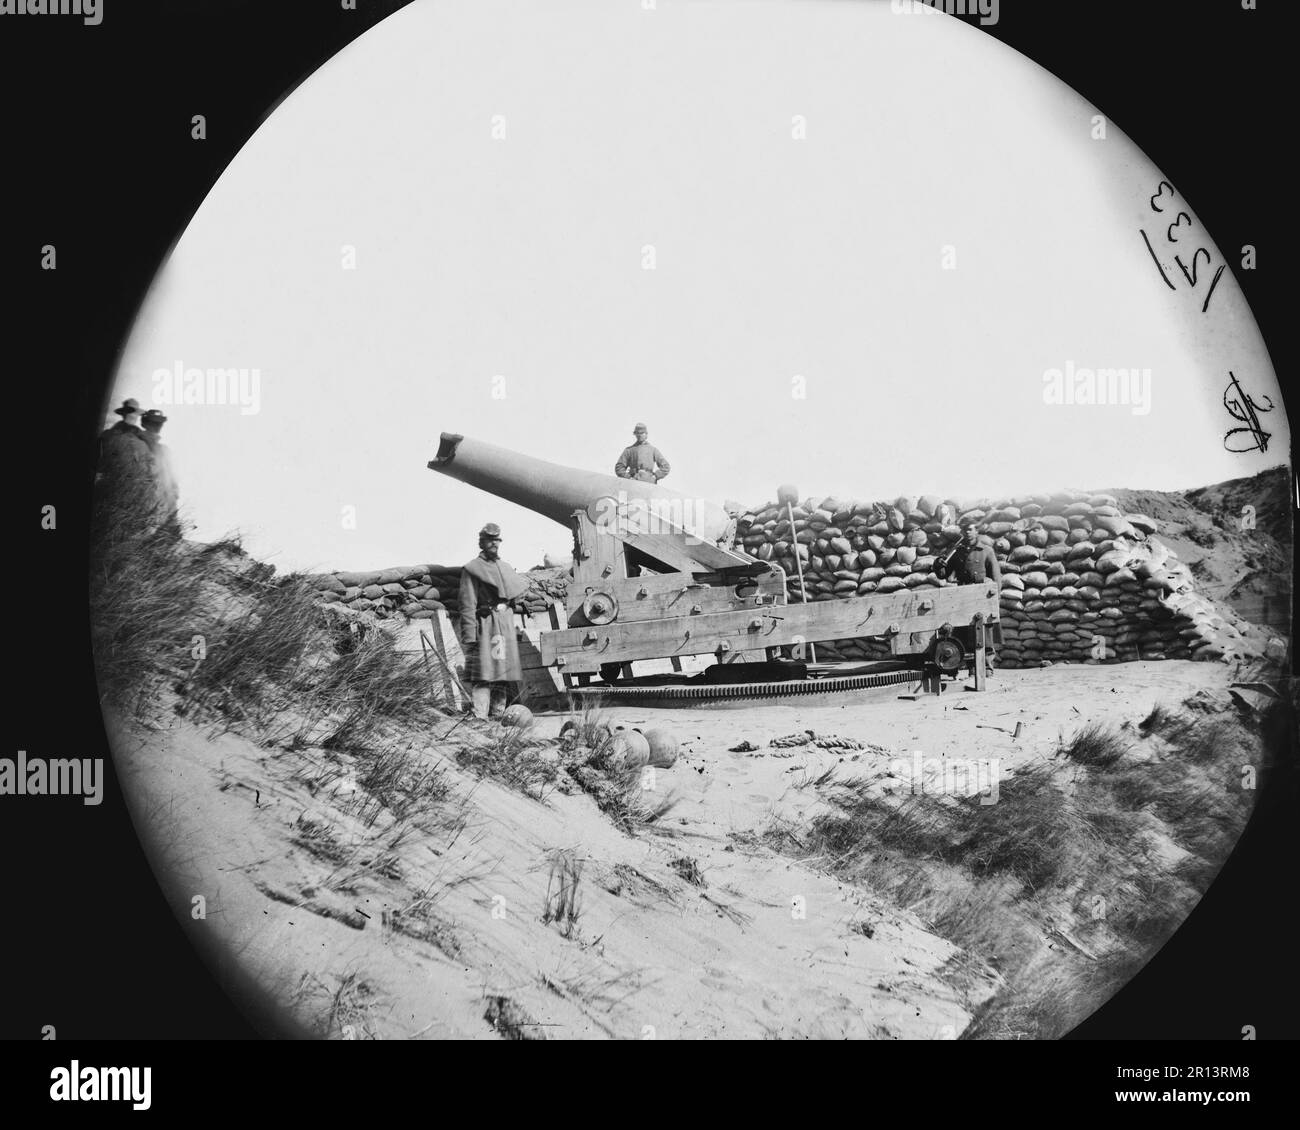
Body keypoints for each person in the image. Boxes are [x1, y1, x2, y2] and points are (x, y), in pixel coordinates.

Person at [458, 523, 533, 720]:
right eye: (490, 540)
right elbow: (467, 603)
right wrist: (470, 635)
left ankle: (498, 714)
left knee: (503, 671)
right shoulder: (472, 569)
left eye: (497, 540)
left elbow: (515, 595)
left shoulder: (505, 567)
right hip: (486, 624)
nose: (494, 544)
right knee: (483, 672)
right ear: (481, 543)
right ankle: (480, 715)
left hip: (505, 624)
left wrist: (510, 606)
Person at [139, 409, 181, 537]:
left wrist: (173, 515)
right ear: (145, 423)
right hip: (147, 509)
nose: (157, 426)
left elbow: (172, 483)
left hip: (164, 509)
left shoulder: (164, 450)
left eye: (159, 423)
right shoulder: (138, 445)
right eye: (153, 423)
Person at [935, 522, 1001, 586]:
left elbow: (996, 576)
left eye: (970, 529)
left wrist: (996, 594)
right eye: (965, 530)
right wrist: (938, 565)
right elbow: (943, 575)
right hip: (963, 591)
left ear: (976, 531)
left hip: (981, 591)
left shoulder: (986, 551)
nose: (967, 532)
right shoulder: (957, 551)